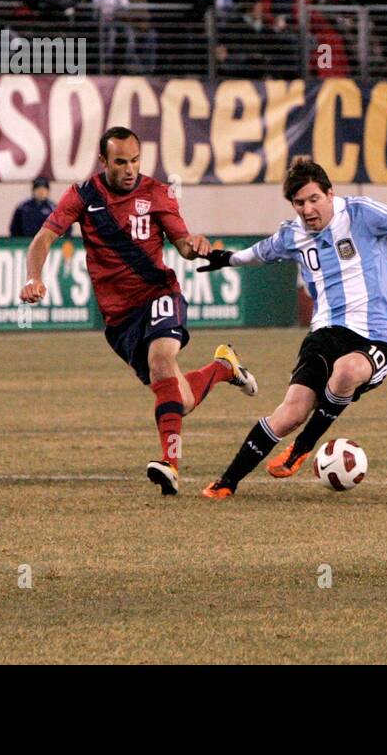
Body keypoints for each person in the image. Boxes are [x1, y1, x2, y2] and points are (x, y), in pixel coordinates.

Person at [195, 157, 387, 496]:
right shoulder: (292, 234)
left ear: (330, 193)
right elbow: (259, 252)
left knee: (345, 372)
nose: (308, 209)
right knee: (290, 412)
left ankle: (302, 448)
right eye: (300, 203)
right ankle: (227, 482)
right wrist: (227, 259)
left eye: (314, 199)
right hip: (324, 333)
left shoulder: (360, 213)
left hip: (377, 336)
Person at [19, 127, 258, 496]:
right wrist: (34, 278)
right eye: (120, 162)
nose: (129, 169)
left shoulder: (158, 193)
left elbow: (182, 245)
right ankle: (222, 368)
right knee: (180, 399)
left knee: (162, 360)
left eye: (135, 161)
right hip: (119, 318)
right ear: (103, 161)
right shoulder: (82, 195)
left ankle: (170, 463)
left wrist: (195, 245)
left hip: (159, 293)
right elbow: (44, 239)